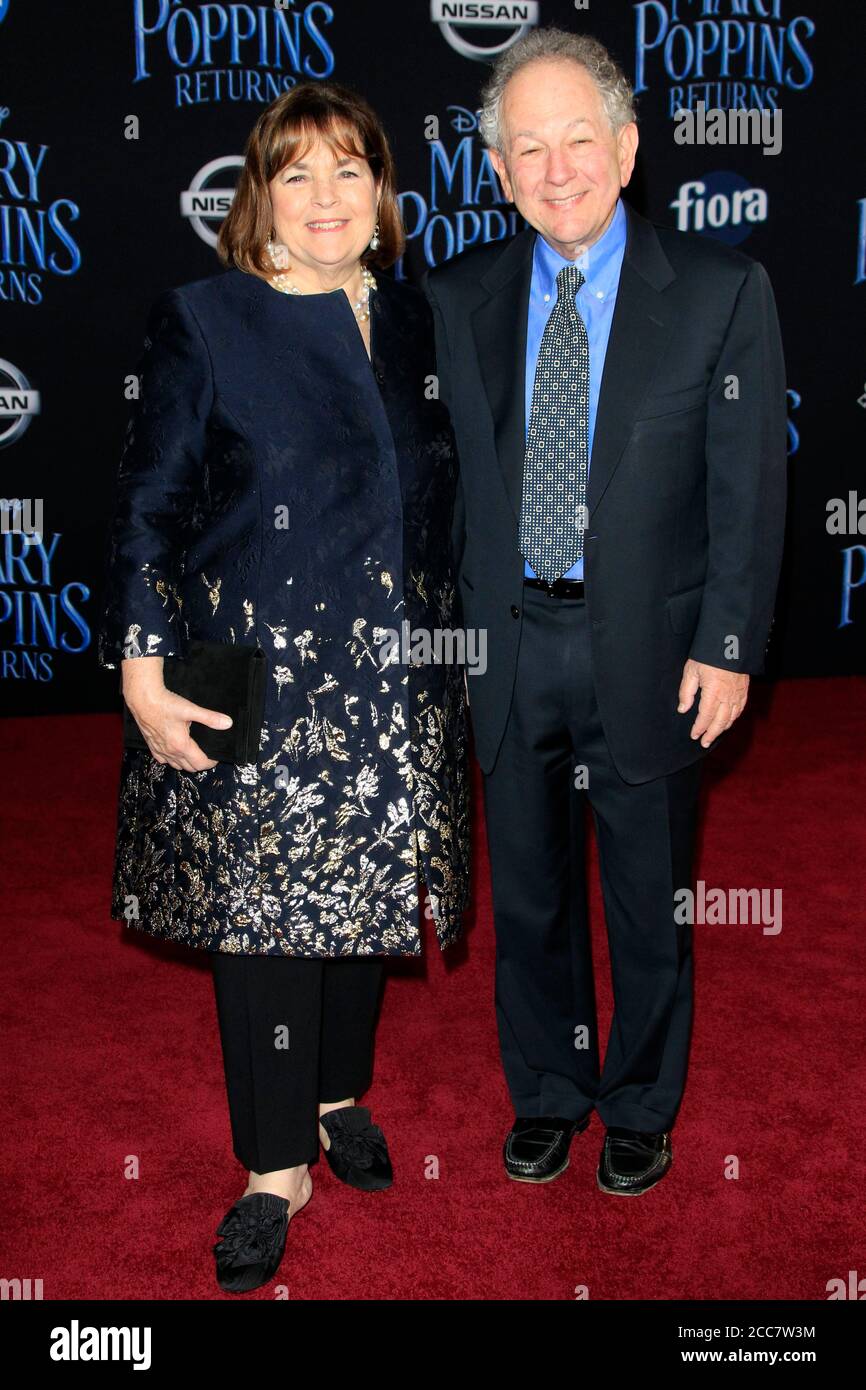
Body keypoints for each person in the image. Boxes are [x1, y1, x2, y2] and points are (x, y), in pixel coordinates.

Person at [97, 81, 470, 1291]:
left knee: (363, 900)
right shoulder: (208, 320)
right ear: (261, 193)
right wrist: (141, 668)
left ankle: (337, 1092)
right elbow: (147, 506)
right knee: (265, 923)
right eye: (296, 172)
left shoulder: (417, 321)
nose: (325, 196)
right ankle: (273, 1168)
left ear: (381, 193)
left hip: (394, 671)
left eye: (349, 170)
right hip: (258, 671)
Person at [423, 28, 786, 1196]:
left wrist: (727, 646)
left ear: (627, 150)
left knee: (642, 897)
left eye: (578, 138)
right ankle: (546, 1091)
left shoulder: (721, 293)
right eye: (525, 147)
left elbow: (746, 487)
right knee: (525, 894)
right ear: (495, 171)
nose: (555, 166)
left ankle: (637, 1099)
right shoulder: (455, 296)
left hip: (650, 652)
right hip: (511, 647)